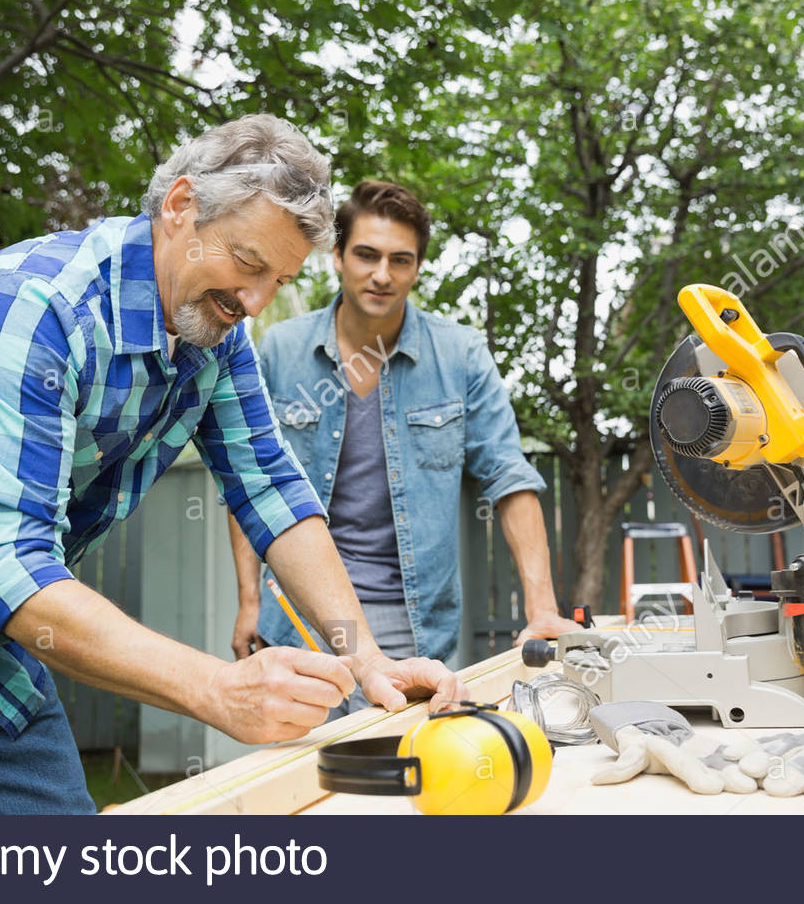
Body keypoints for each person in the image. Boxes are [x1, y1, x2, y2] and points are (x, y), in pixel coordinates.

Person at [0, 116, 464, 815]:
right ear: (181, 206)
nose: (255, 304)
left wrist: (365, 657)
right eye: (248, 265)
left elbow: (272, 488)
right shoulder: (31, 312)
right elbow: (12, 568)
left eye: (278, 280)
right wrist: (217, 689)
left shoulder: (216, 337)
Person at [228, 180, 580, 713]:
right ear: (338, 257)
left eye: (400, 260)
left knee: (415, 776)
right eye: (366, 255)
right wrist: (249, 601)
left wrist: (542, 606)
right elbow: (248, 480)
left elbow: (509, 476)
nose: (382, 274)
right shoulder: (282, 348)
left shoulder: (459, 355)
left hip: (414, 619)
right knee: (311, 780)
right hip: (298, 614)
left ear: (417, 268)